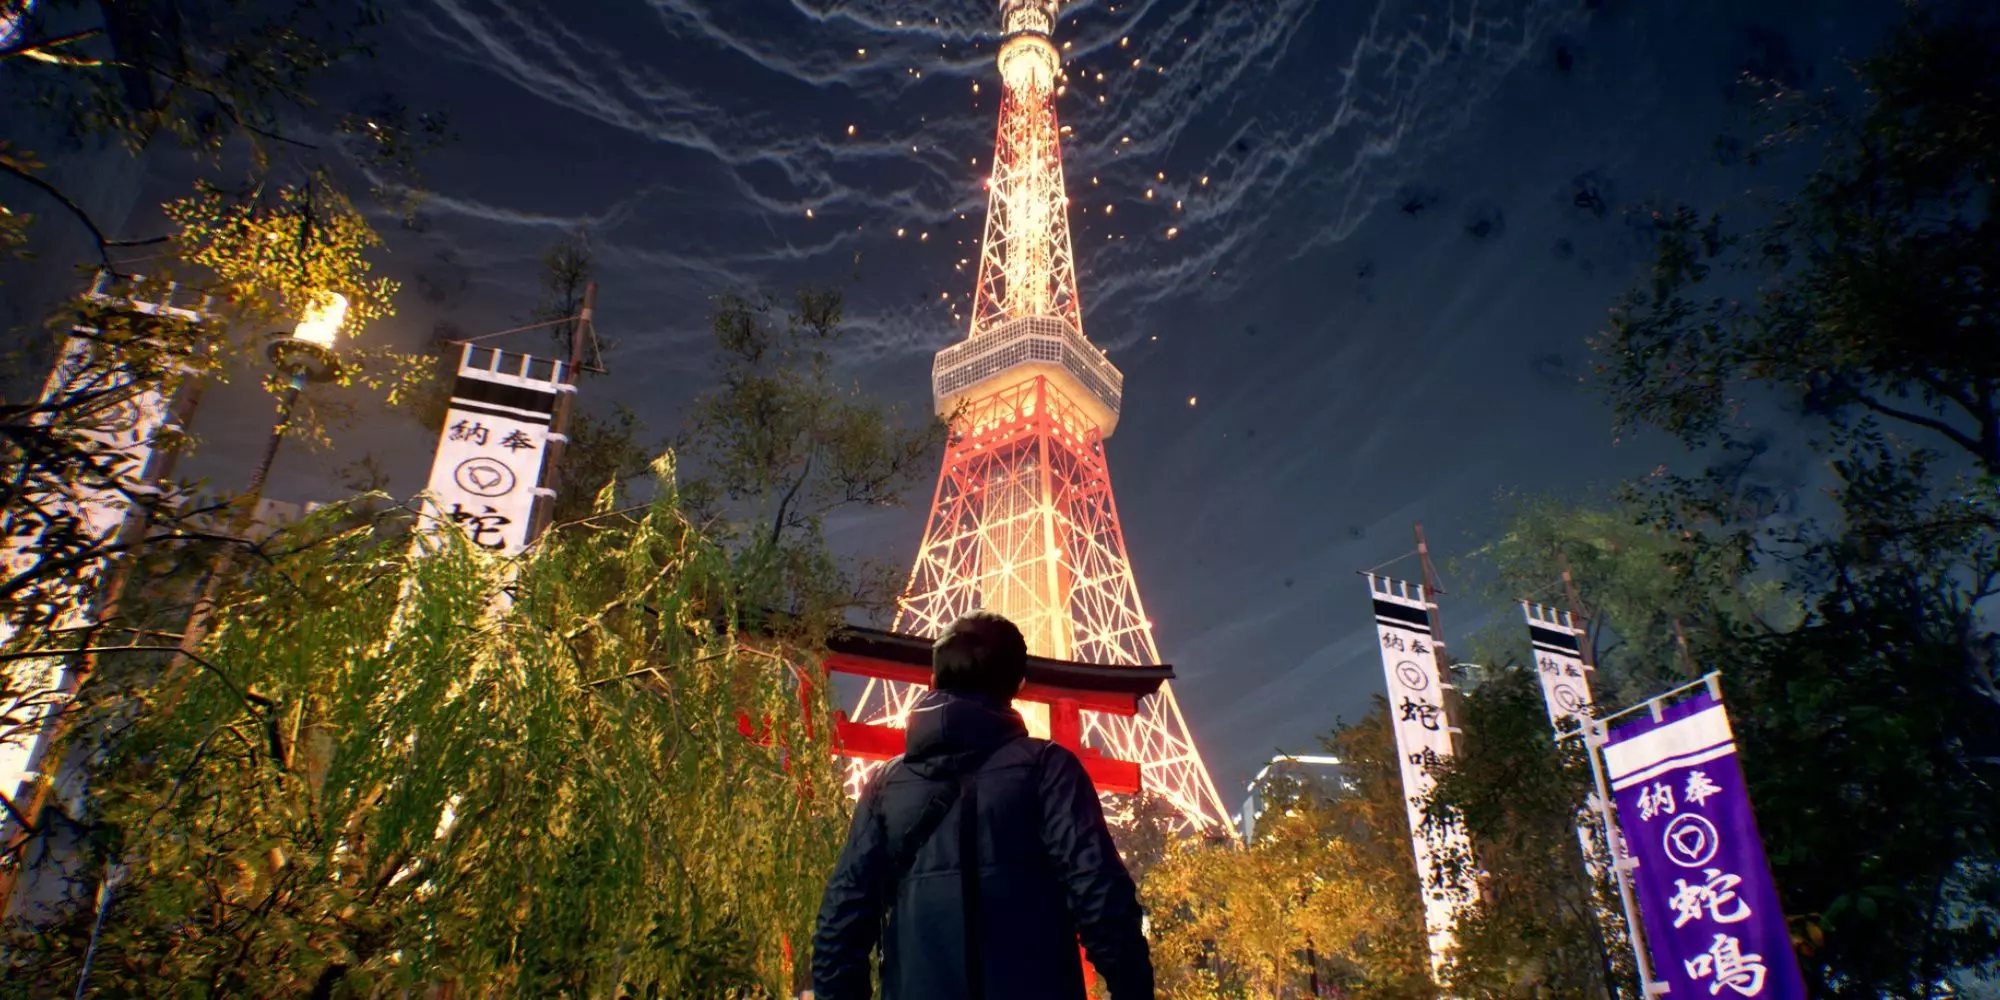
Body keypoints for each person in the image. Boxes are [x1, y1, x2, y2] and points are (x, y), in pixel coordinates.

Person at [811, 611, 1154, 1000]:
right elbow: (1101, 897)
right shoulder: (1047, 769)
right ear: (1017, 687)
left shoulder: (885, 785)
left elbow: (841, 922)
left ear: (933, 680)